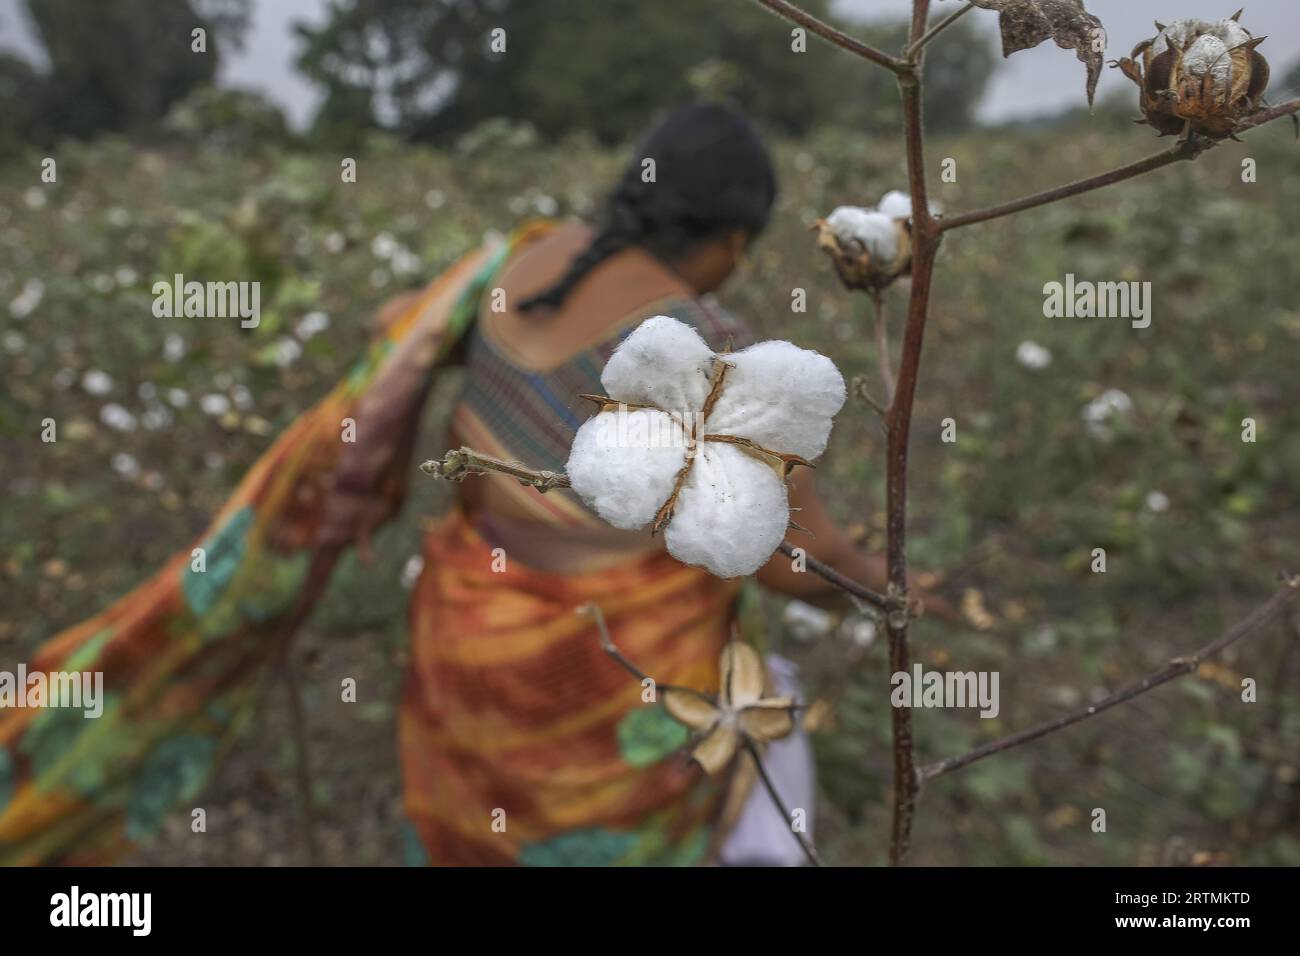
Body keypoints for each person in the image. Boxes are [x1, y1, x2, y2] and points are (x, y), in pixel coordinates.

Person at [0, 104, 891, 867]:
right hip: (598, 689)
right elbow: (790, 555)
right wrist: (885, 587)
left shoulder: (517, 263)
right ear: (733, 240)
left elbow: (395, 326)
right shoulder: (708, 348)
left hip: (467, 642)